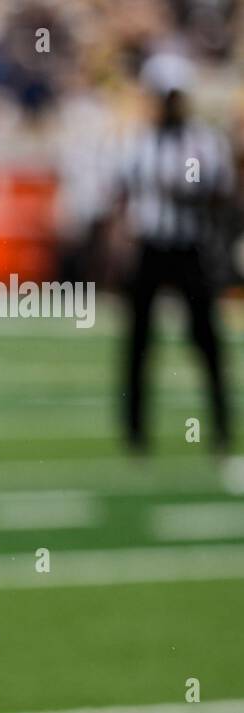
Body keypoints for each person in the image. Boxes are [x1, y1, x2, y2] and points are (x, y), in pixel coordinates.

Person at [118, 53, 235, 454]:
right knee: (139, 342)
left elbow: (223, 192)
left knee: (206, 340)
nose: (169, 104)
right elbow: (122, 193)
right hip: (150, 246)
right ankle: (135, 434)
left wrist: (190, 191)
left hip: (190, 246)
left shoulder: (204, 140)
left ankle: (221, 429)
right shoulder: (139, 141)